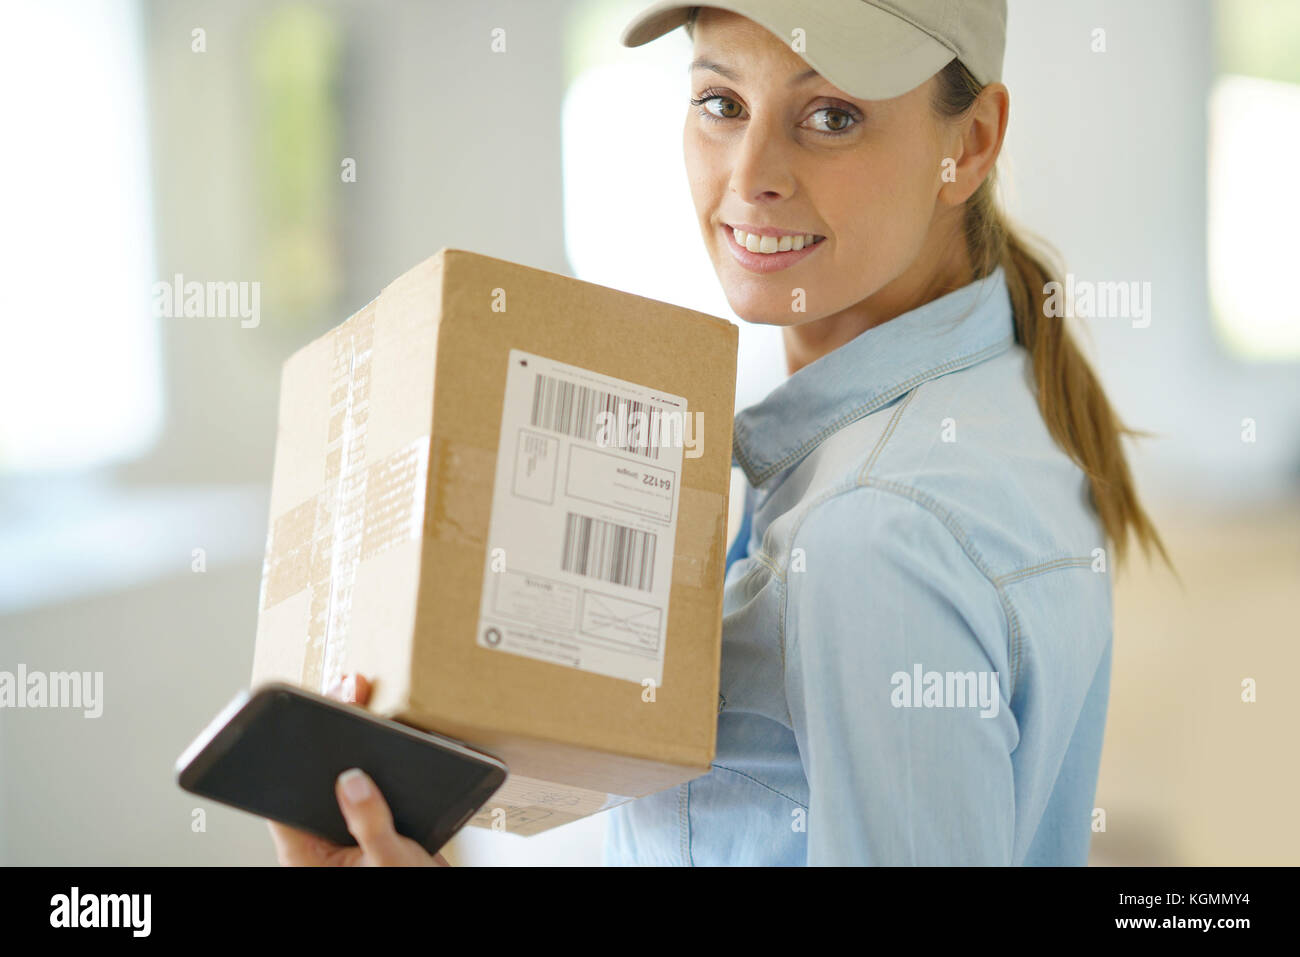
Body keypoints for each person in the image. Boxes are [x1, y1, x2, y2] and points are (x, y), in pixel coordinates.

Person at [272, 0, 1169, 866]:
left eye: (831, 114)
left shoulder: (871, 538)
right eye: (721, 104)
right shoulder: (995, 400)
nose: (749, 176)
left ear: (968, 144)